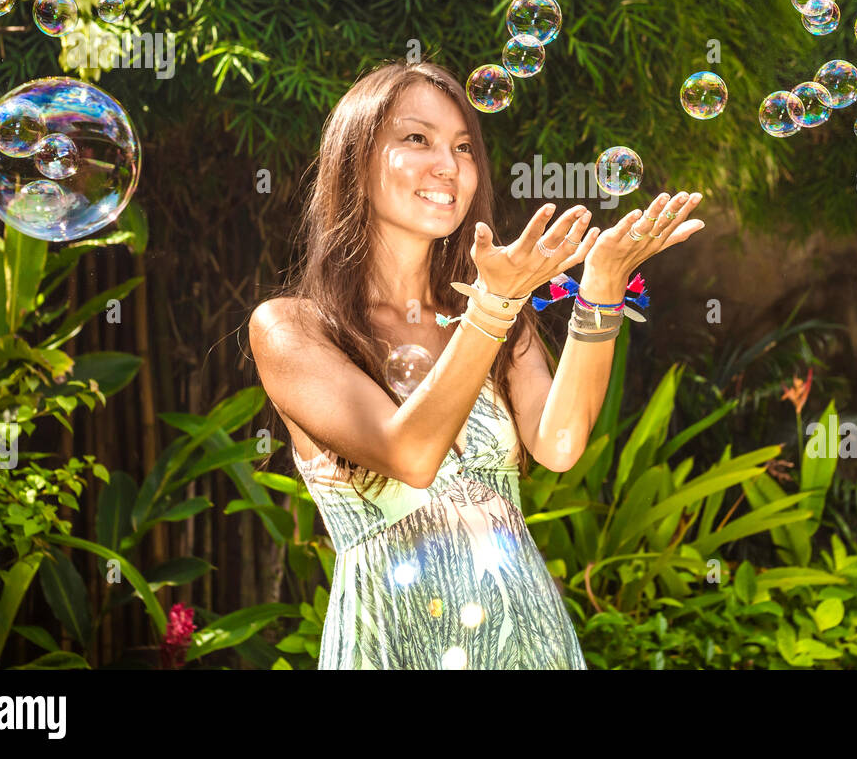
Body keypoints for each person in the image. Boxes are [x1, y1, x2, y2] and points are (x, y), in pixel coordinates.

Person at [249, 60, 705, 669]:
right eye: (418, 138)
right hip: (394, 643)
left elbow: (561, 444)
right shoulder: (291, 328)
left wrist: (602, 288)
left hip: (530, 640)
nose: (449, 165)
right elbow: (409, 455)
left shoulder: (497, 315)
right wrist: (493, 307)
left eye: (464, 147)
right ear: (355, 159)